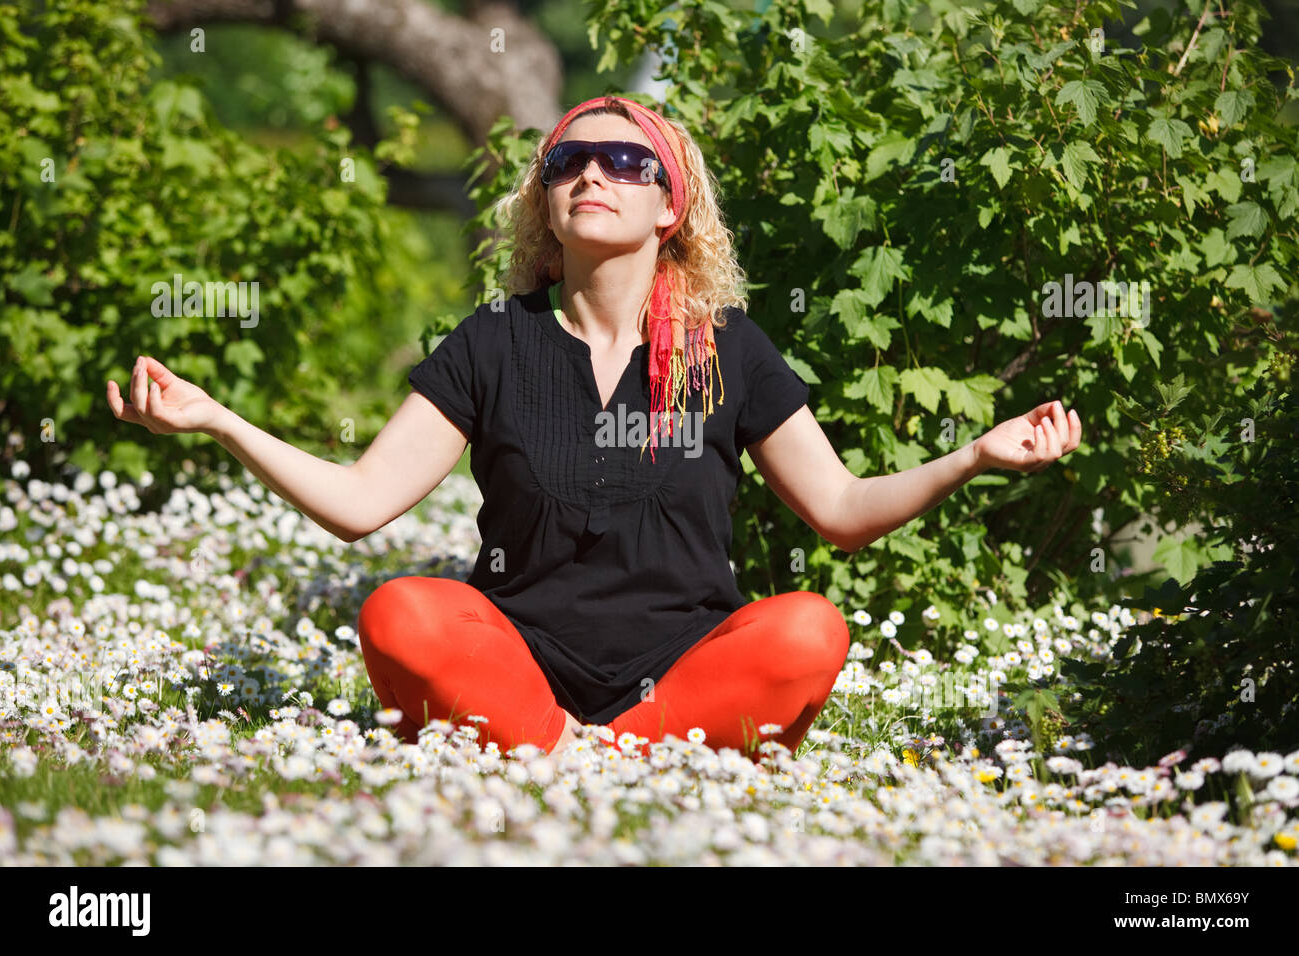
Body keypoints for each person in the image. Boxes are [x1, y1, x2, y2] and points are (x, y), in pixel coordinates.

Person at [107, 94, 1082, 762]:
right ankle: (589, 757)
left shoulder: (727, 349)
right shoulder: (491, 342)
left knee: (807, 627)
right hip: (521, 665)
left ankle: (582, 762)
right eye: (566, 161)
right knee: (400, 610)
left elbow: (839, 509)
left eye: (625, 161)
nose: (591, 175)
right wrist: (218, 419)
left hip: (686, 677)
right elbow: (362, 503)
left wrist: (973, 454)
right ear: (544, 199)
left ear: (671, 205)